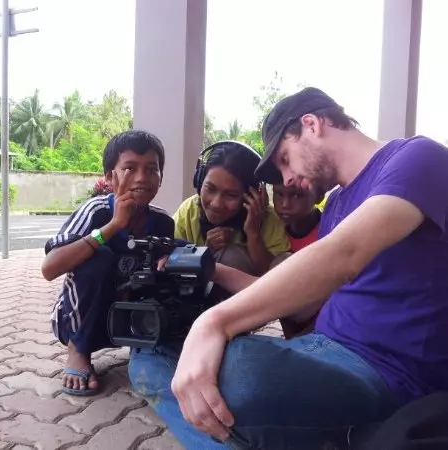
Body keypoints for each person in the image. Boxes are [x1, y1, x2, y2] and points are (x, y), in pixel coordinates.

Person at [129, 86, 448, 449]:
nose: (287, 178)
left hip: (388, 375)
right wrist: (211, 270)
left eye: (284, 158)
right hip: (319, 351)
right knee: (149, 352)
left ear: (311, 125)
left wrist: (214, 323)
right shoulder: (340, 201)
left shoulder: (418, 158)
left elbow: (345, 255)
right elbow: (302, 303)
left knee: (239, 371)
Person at [42, 130, 174, 396]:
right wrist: (113, 227)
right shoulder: (96, 210)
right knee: (98, 257)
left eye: (151, 169)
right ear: (109, 177)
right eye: (129, 168)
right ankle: (78, 350)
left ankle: (149, 342)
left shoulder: (162, 222)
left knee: (170, 263)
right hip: (76, 319)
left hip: (127, 320)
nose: (141, 177)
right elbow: (50, 268)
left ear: (160, 177)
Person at [173, 140, 290, 276]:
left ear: (250, 195)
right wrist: (206, 251)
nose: (216, 203)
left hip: (251, 294)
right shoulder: (189, 211)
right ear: (199, 181)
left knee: (231, 255)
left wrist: (253, 233)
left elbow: (274, 279)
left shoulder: (267, 219)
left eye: (231, 195)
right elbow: (171, 265)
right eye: (210, 188)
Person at [272, 183, 324, 338]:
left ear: (319, 196)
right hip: (293, 329)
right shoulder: (273, 231)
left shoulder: (328, 231)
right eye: (278, 194)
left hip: (324, 329)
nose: (285, 204)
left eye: (296, 195)